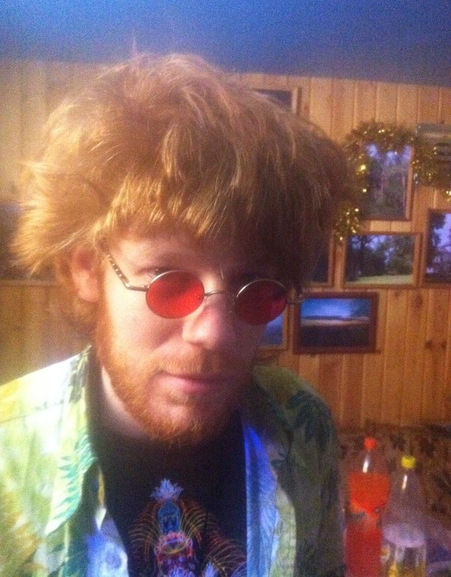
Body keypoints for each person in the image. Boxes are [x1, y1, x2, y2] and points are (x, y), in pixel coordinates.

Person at [0, 54, 348, 577]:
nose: (216, 333)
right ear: (86, 269)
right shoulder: (7, 456)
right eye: (170, 281)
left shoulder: (303, 425)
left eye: (256, 291)